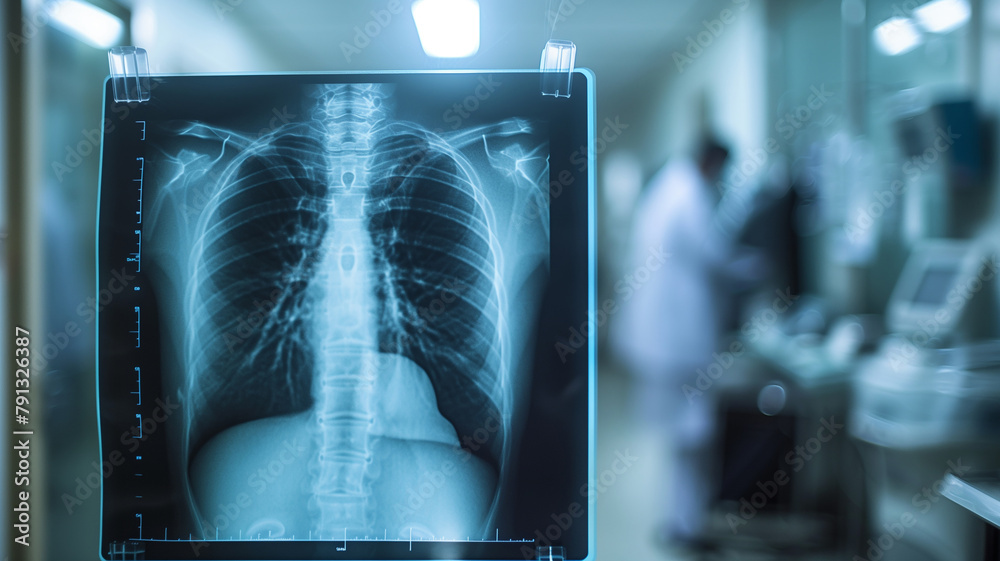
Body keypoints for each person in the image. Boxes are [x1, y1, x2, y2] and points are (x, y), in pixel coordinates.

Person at [611, 134, 767, 547]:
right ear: (713, 163)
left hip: (663, 337)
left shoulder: (669, 185)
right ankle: (688, 526)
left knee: (684, 436)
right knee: (692, 436)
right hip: (678, 339)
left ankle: (685, 522)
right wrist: (753, 265)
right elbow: (711, 254)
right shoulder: (689, 192)